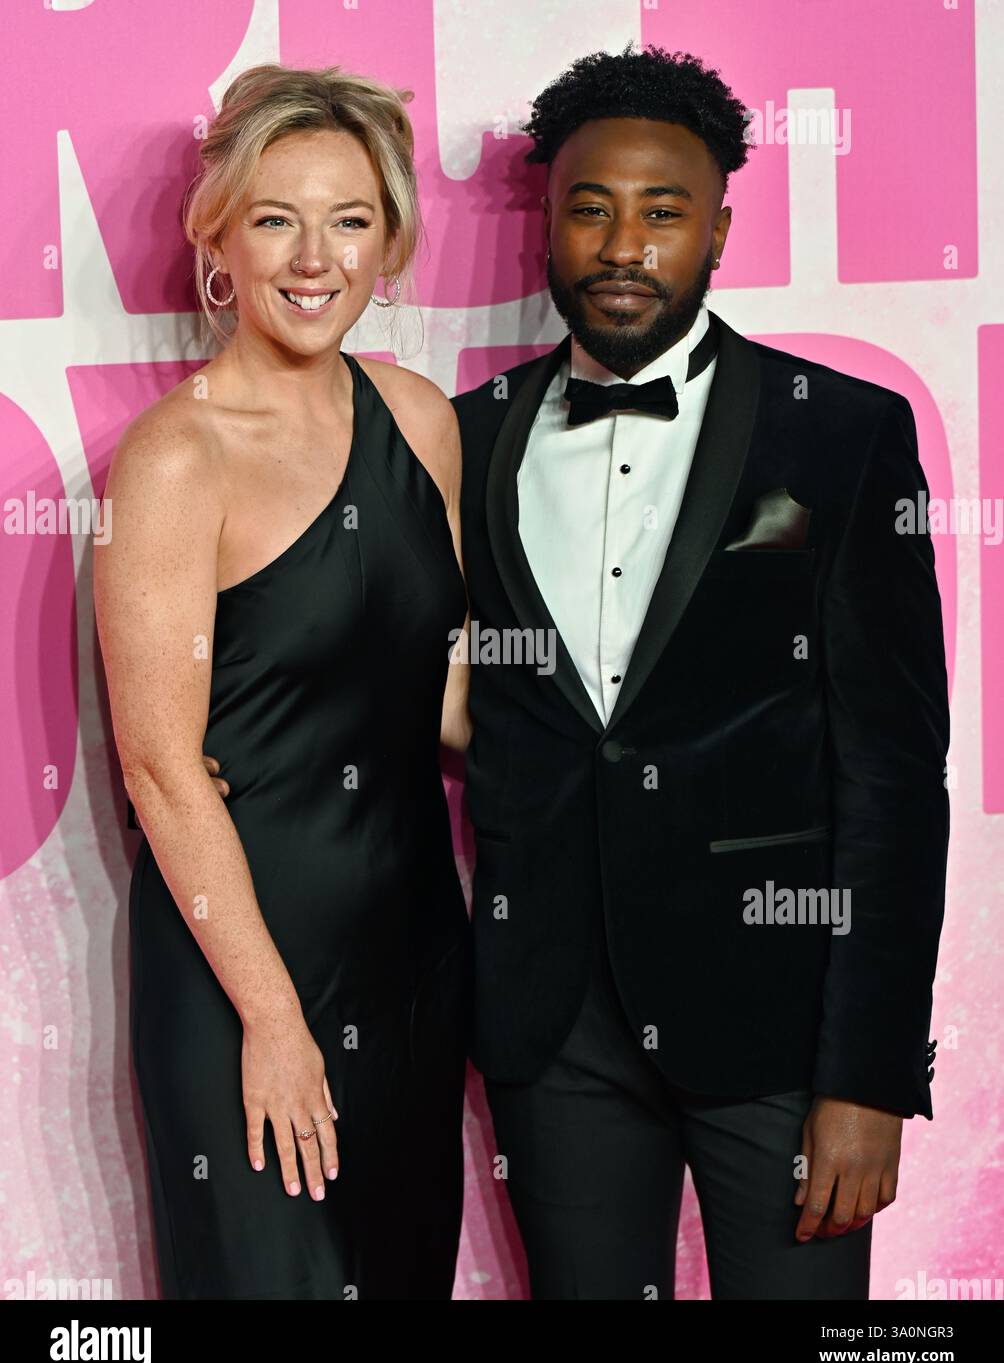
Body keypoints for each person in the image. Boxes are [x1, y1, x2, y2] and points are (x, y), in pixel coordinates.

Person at [450, 44, 949, 1299]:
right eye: (590, 207)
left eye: (662, 212)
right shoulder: (460, 441)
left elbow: (893, 779)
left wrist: (867, 1076)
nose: (623, 245)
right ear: (549, 226)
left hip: (781, 1032)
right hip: (549, 1026)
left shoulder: (838, 435)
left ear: (718, 230)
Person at [94, 63, 472, 1300]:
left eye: (349, 220)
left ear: (389, 244)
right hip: (239, 967)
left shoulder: (420, 420)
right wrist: (271, 1017)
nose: (314, 258)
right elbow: (159, 763)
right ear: (219, 239)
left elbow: (448, 693)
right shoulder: (173, 457)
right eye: (274, 218)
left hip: (410, 948)